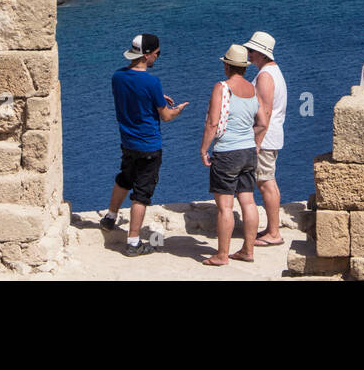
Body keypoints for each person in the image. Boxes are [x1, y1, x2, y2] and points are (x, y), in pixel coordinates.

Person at [102, 33, 188, 257]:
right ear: (148, 55)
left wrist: (158, 96)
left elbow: (132, 94)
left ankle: (110, 217)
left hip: (127, 141)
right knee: (141, 194)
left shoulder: (117, 76)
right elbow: (166, 117)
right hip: (149, 145)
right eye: (157, 54)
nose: (157, 58)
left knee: (124, 178)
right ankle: (133, 243)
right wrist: (178, 110)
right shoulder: (152, 82)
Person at [200, 44, 266, 265]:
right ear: (244, 68)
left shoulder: (222, 87)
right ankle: (248, 250)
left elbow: (212, 122)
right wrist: (252, 141)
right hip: (248, 151)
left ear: (227, 66)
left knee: (225, 207)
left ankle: (222, 255)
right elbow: (263, 122)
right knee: (248, 202)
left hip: (227, 152)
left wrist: (204, 149)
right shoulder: (253, 89)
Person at [244, 30, 286, 247]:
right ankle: (272, 228)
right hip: (271, 136)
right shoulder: (272, 72)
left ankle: (273, 232)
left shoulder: (265, 76)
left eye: (251, 51)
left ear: (261, 53)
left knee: (265, 183)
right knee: (268, 181)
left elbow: (265, 112)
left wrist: (256, 143)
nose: (249, 54)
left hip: (265, 138)